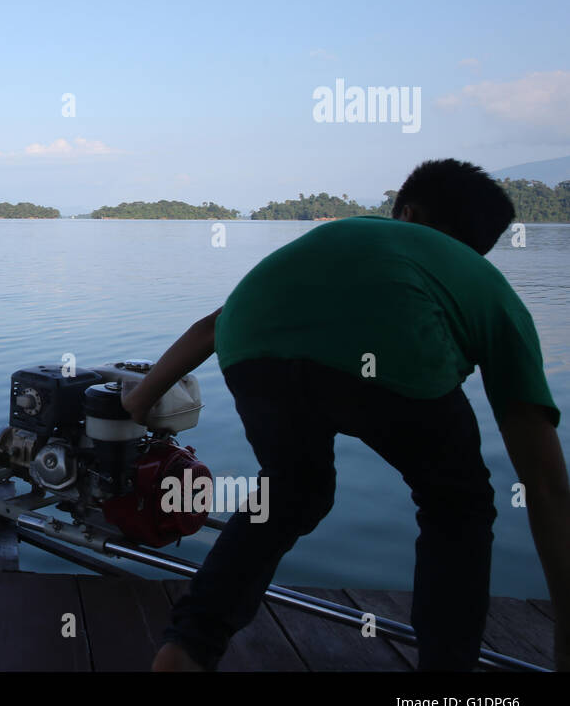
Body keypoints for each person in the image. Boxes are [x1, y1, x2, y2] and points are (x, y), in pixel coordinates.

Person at [121, 159, 569, 671]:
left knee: (290, 492)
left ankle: (187, 649)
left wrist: (138, 402)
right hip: (395, 352)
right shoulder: (488, 286)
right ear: (484, 245)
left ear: (406, 211)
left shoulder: (343, 234)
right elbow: (546, 484)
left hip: (251, 340)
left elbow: (209, 329)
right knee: (457, 510)